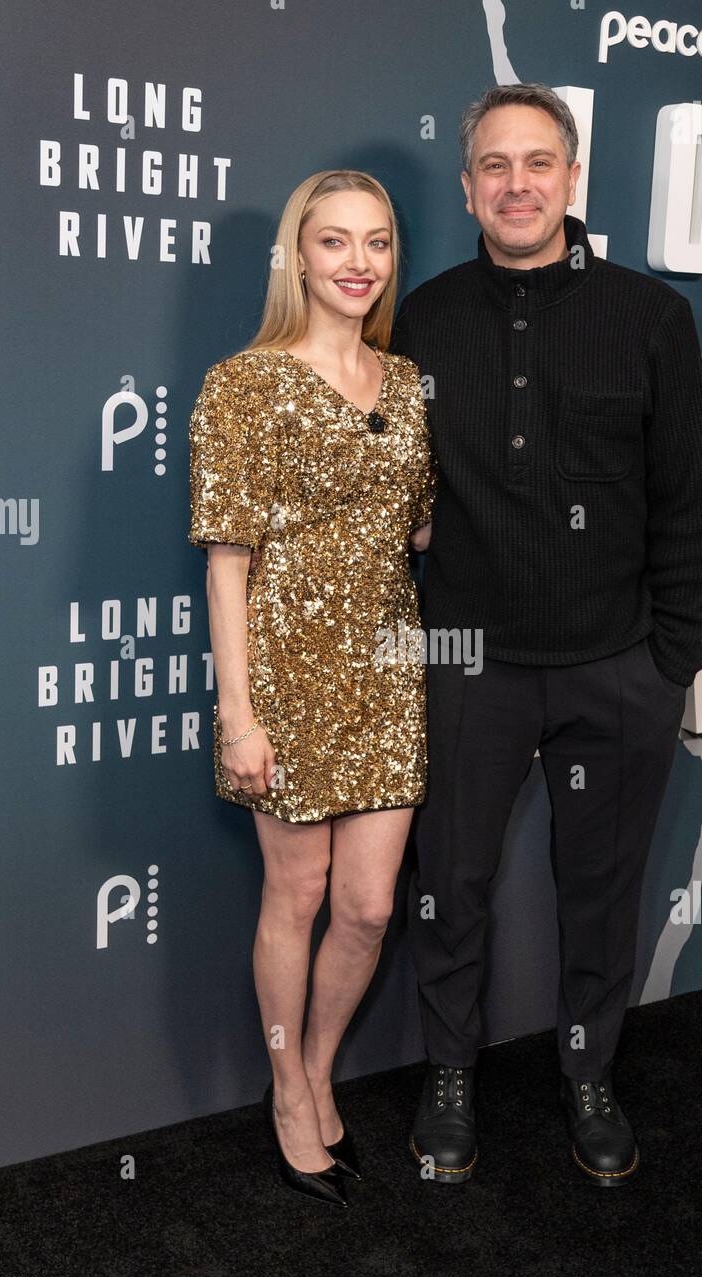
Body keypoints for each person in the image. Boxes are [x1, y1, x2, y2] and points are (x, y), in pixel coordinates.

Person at [390, 84, 702, 1186]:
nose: (517, 184)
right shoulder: (421, 318)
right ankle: (448, 1076)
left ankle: (589, 1074)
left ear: (572, 177)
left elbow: (685, 504)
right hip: (468, 668)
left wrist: (667, 661)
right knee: (451, 886)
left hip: (619, 667)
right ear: (468, 181)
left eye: (538, 162)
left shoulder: (651, 316)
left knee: (601, 890)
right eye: (495, 165)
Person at [188, 170, 436, 1206]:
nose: (357, 262)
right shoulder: (241, 382)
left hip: (387, 670)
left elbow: (419, 525)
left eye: (375, 242)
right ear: (298, 255)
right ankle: (288, 1089)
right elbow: (226, 558)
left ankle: (319, 1064)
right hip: (284, 673)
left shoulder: (410, 380)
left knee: (371, 906)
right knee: (295, 895)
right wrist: (236, 715)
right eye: (333, 242)